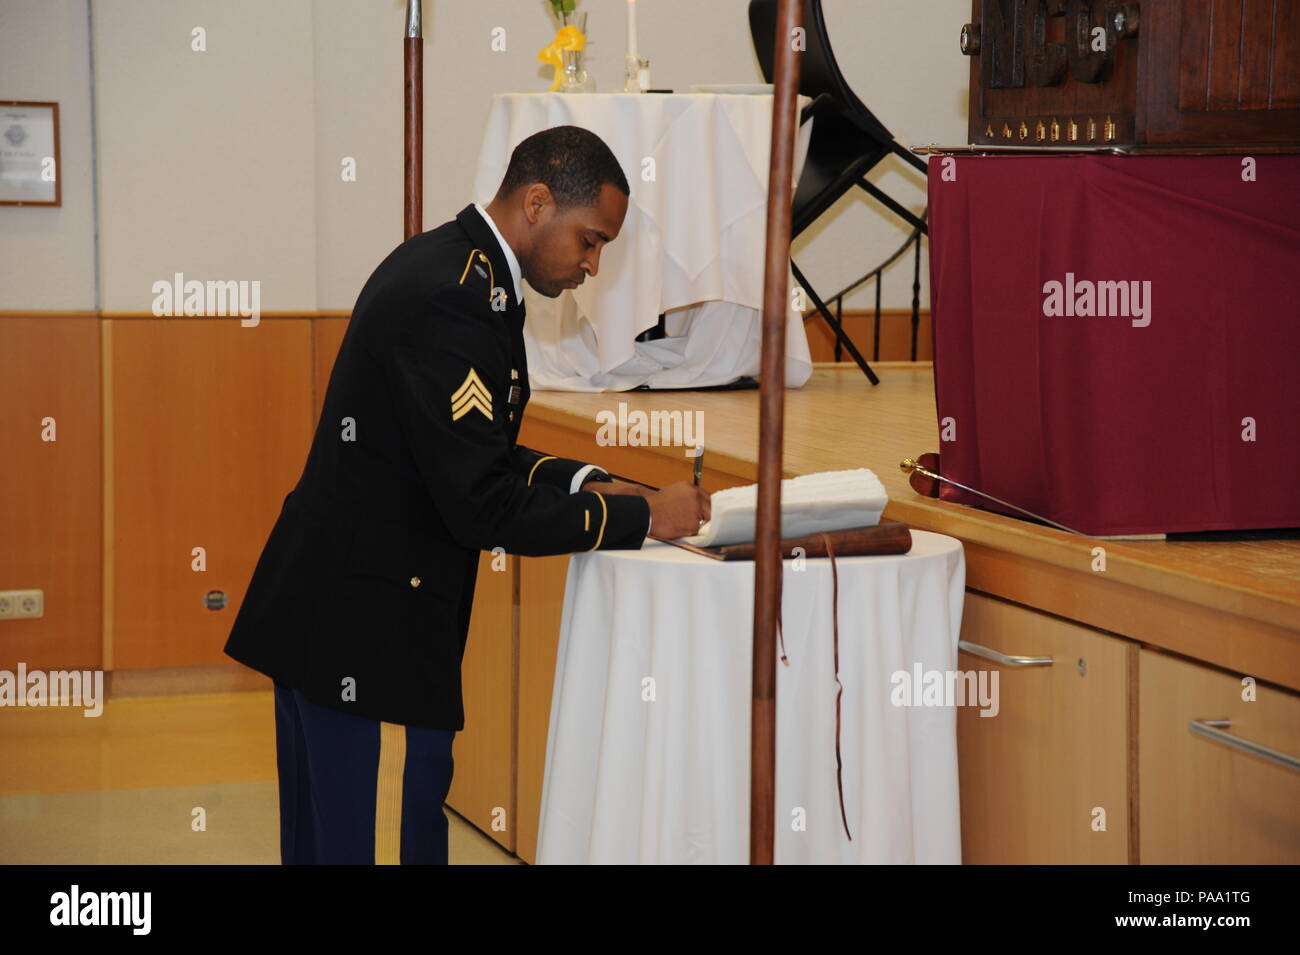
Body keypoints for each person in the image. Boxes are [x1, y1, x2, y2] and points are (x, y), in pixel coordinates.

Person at [223, 125, 710, 865]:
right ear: (538, 203)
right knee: (373, 844)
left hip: (344, 610)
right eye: (590, 239)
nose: (592, 263)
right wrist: (641, 516)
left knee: (331, 846)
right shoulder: (458, 296)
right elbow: (479, 502)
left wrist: (583, 480)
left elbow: (464, 446)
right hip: (364, 630)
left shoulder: (457, 267)